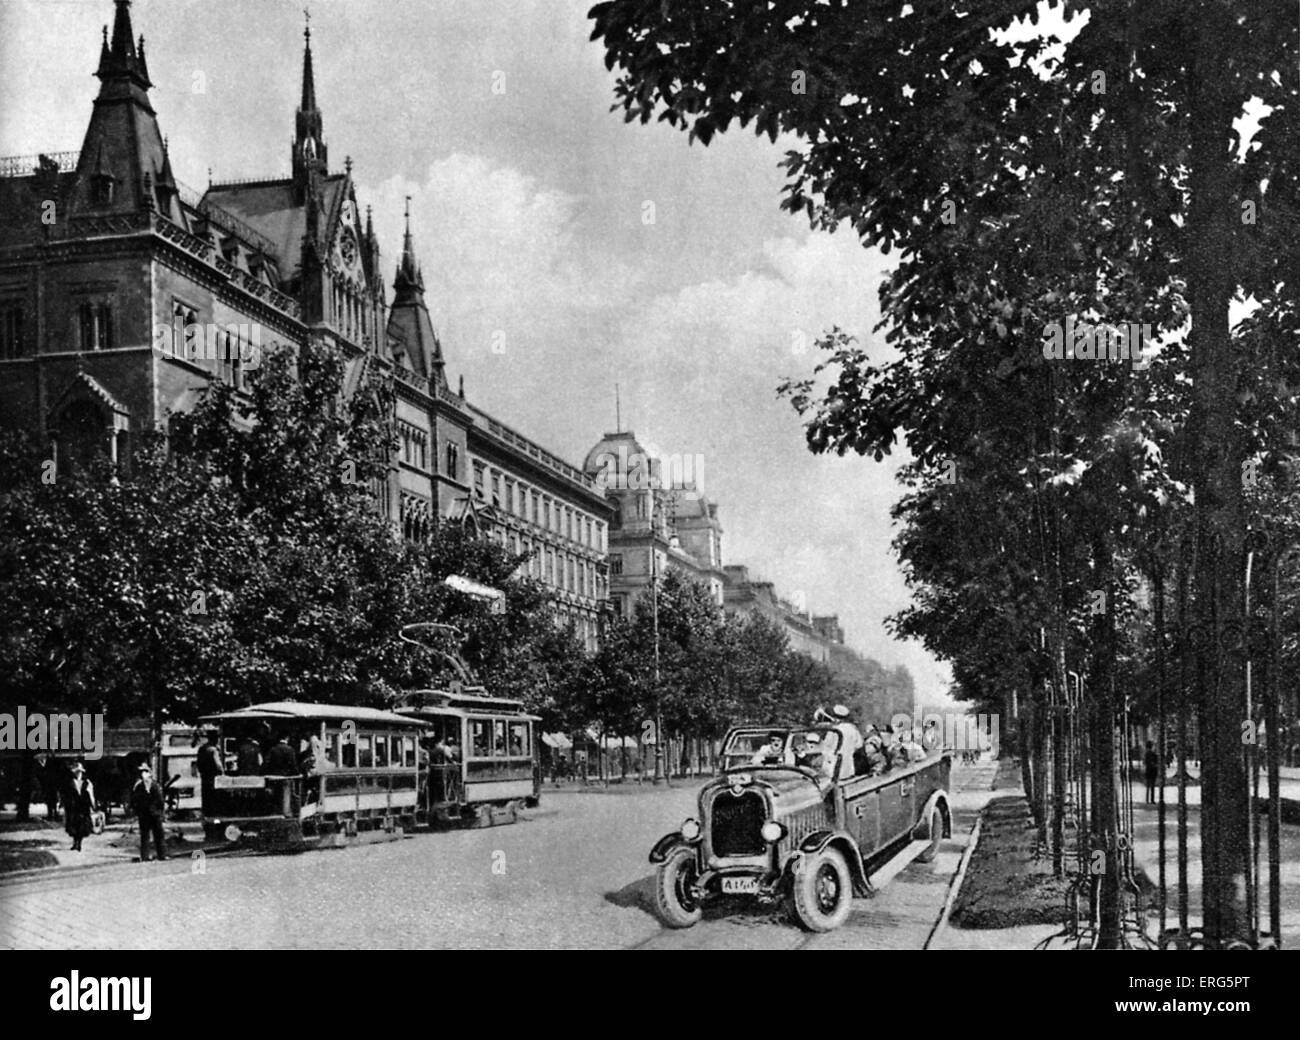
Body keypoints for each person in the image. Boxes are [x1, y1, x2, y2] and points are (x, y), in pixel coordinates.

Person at [130, 764, 168, 862]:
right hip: (147, 815)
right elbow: (134, 800)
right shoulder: (141, 786)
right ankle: (149, 856)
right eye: (142, 772)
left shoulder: (152, 785)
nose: (143, 774)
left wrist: (161, 812)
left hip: (151, 815)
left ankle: (158, 855)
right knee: (148, 835)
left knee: (155, 835)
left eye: (145, 772)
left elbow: (160, 800)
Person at [64, 760, 96, 852]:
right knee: (73, 825)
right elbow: (66, 795)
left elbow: (91, 794)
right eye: (76, 771)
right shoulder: (70, 782)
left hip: (84, 807)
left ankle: (79, 844)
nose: (78, 773)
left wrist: (93, 805)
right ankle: (75, 843)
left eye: (79, 771)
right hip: (73, 807)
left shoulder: (87, 782)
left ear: (81, 772)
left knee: (82, 826)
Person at [196, 729, 223, 805]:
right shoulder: (213, 750)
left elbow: (198, 763)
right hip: (213, 777)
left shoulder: (202, 749)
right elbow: (218, 765)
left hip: (205, 777)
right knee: (214, 797)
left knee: (206, 796)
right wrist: (222, 773)